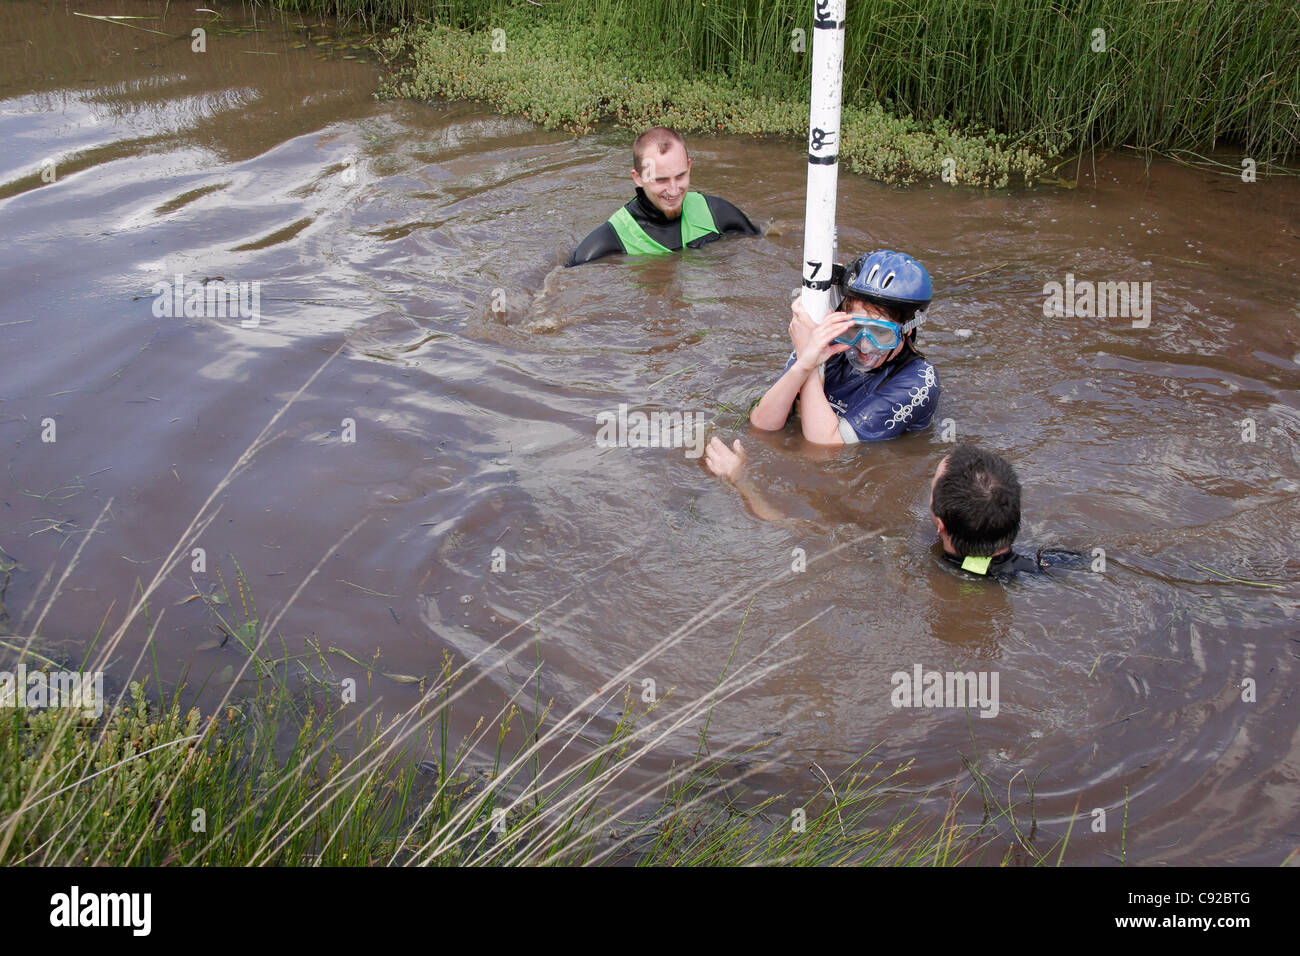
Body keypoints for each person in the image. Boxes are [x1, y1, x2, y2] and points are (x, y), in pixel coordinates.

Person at [704, 440, 1079, 579]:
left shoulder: (898, 557)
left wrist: (740, 479)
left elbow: (786, 524)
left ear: (939, 523)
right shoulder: (1052, 564)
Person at [750, 250, 940, 445]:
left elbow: (825, 446)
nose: (864, 345)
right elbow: (762, 427)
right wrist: (805, 362)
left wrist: (811, 371)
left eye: (880, 333)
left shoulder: (917, 382)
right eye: (854, 328)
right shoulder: (828, 341)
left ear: (906, 331)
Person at [565, 126, 761, 267]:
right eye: (661, 180)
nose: (674, 190)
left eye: (681, 176)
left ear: (689, 166)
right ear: (638, 178)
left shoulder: (718, 213)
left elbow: (763, 243)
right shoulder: (609, 241)